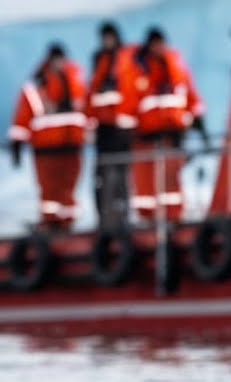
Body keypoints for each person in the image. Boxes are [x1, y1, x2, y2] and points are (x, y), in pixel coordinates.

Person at [118, 27, 208, 222]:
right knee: (146, 179)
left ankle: (173, 216)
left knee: (171, 177)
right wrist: (128, 128)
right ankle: (149, 218)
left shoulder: (174, 65)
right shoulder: (137, 68)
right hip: (145, 134)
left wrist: (198, 120)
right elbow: (129, 99)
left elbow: (189, 92)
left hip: (172, 131)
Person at [8, 43, 87, 230]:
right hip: (46, 148)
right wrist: (16, 144)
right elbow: (23, 115)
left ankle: (68, 224)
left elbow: (87, 111)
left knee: (68, 187)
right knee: (49, 189)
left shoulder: (76, 82)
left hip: (71, 146)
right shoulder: (36, 85)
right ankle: (50, 223)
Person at [87, 21, 134, 227]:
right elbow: (91, 96)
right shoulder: (99, 61)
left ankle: (120, 216)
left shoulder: (125, 60)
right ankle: (104, 217)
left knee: (120, 175)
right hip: (103, 130)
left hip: (121, 130)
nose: (107, 41)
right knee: (102, 175)